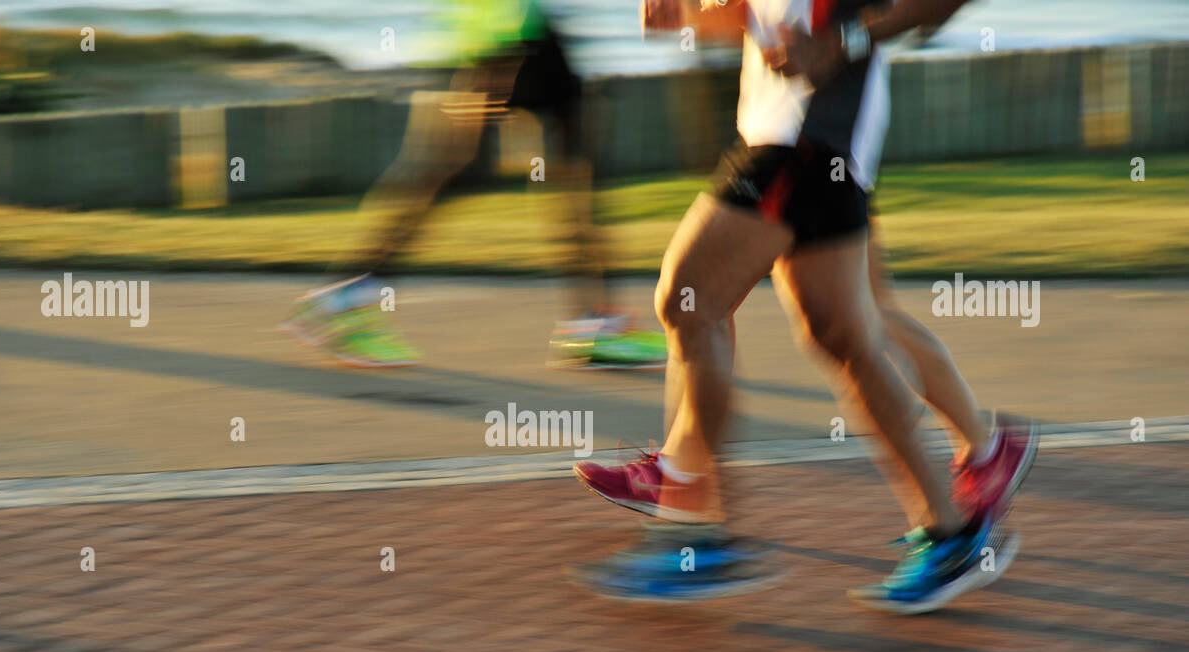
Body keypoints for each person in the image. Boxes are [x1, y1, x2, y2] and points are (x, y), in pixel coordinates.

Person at [574, 0, 1033, 612]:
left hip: (803, 138)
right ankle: (953, 533)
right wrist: (693, 15)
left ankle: (694, 530)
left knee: (689, 300)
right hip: (807, 140)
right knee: (845, 339)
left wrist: (840, 38)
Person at [281, 0, 667, 370]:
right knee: (556, 164)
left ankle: (349, 294)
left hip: (503, 29)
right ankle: (348, 296)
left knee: (493, 164)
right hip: (512, 28)